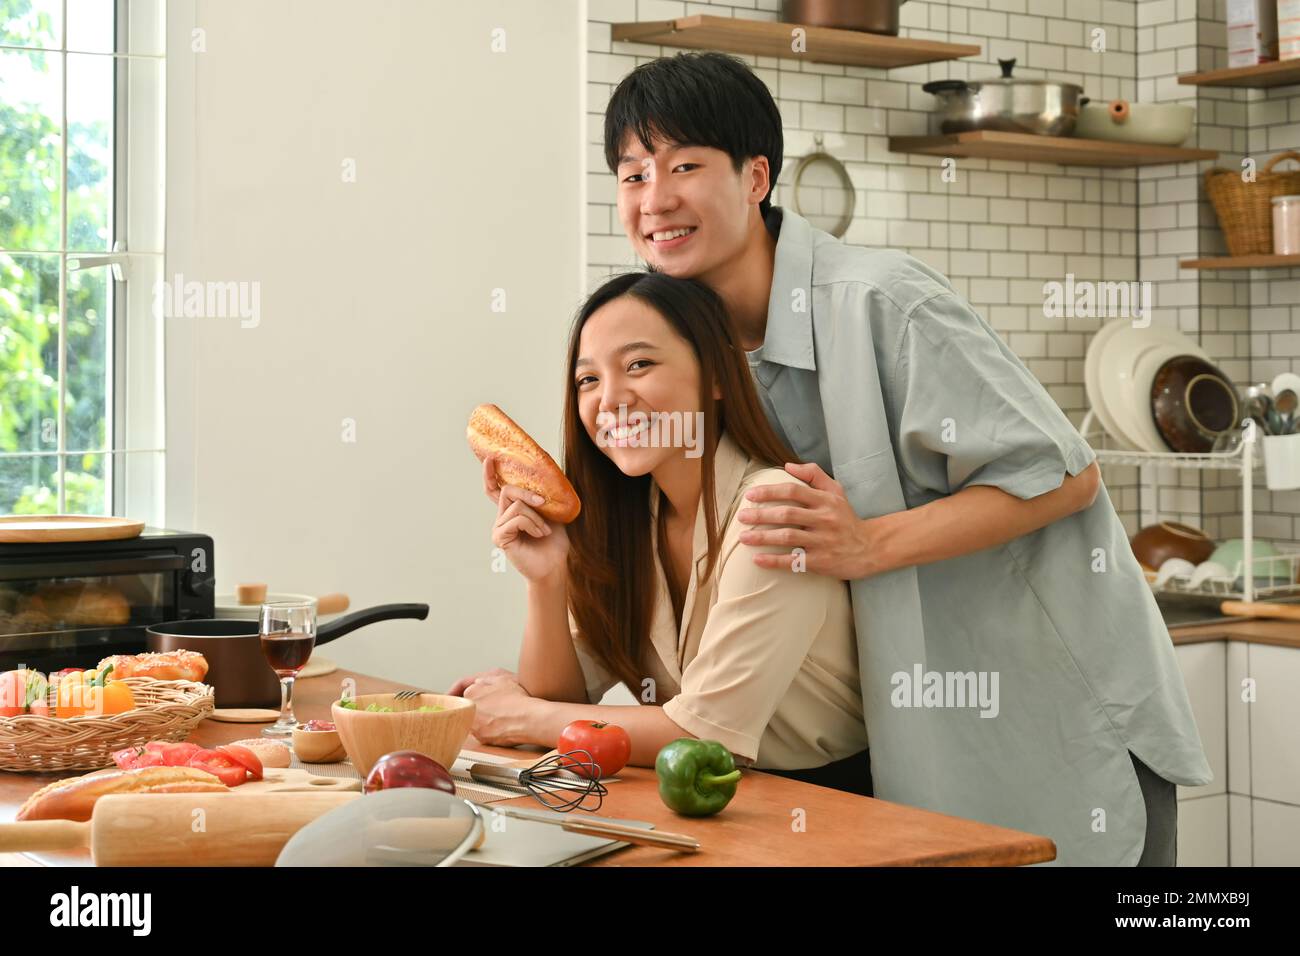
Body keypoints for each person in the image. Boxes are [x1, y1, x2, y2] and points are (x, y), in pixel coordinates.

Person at [587, 50, 1211, 866]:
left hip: (1050, 712)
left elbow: (1062, 474)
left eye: (685, 166)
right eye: (632, 175)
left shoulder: (881, 301)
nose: (655, 199)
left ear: (755, 178)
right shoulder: (699, 349)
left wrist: (868, 544)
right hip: (918, 744)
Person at [450, 270, 872, 794]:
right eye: (588, 380)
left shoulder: (776, 509)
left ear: (716, 376)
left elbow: (704, 735)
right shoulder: (628, 519)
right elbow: (565, 694)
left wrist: (519, 717)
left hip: (825, 806)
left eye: (639, 364)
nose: (610, 400)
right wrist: (547, 580)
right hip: (701, 802)